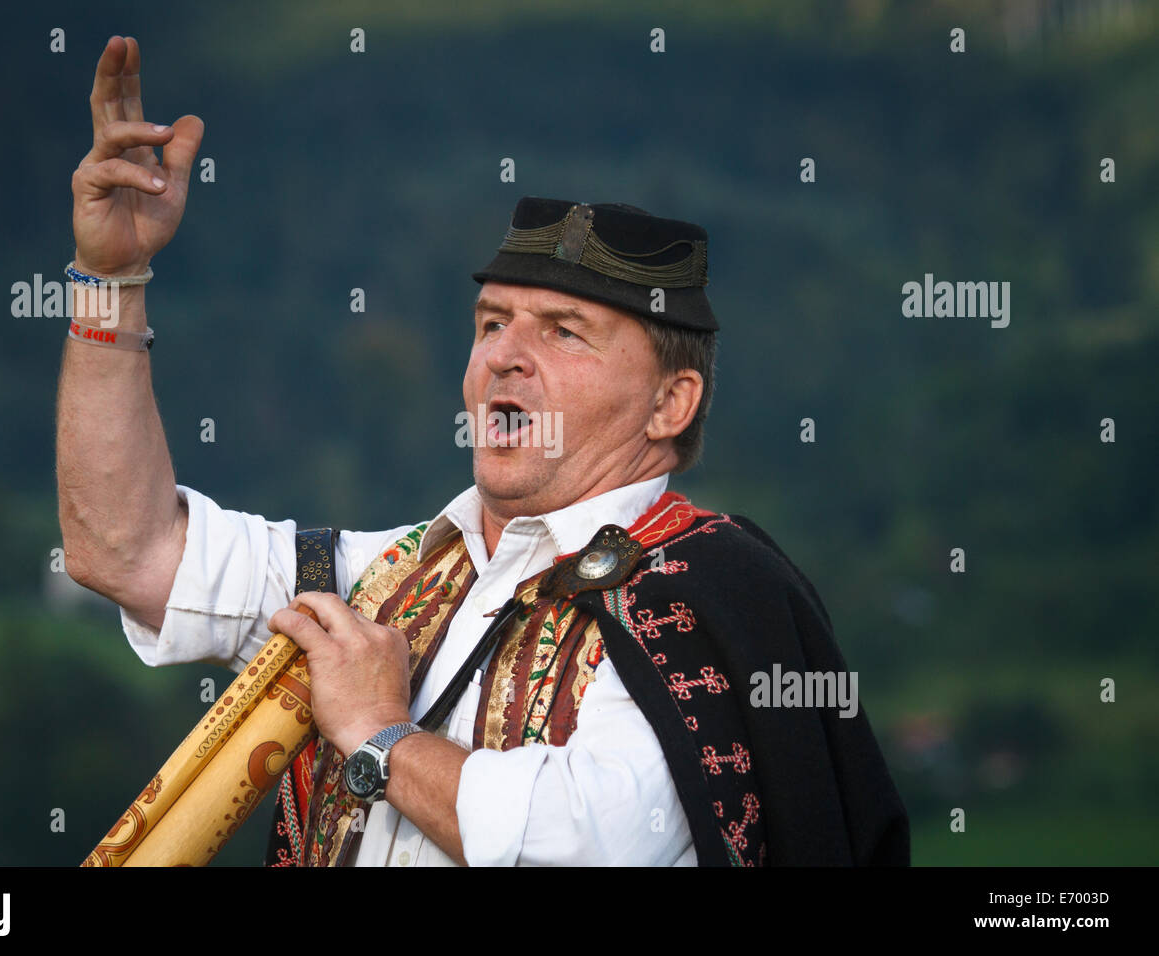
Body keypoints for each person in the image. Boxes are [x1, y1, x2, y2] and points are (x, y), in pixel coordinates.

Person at [58, 35, 909, 867]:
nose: (506, 354)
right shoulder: (380, 582)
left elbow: (589, 844)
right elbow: (125, 550)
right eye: (492, 323)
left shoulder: (710, 596)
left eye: (566, 333)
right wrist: (109, 281)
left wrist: (381, 736)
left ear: (669, 404)